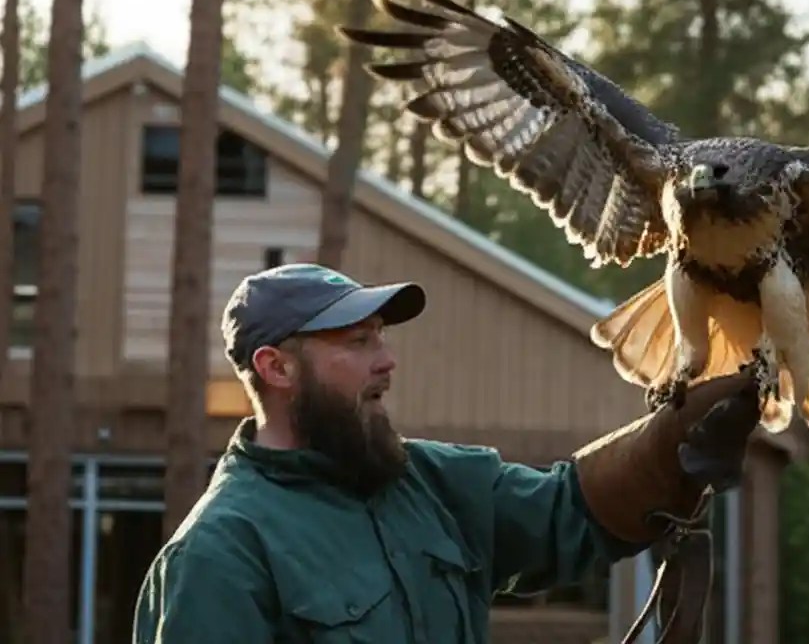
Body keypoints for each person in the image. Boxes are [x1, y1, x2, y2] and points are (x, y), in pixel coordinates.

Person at [131, 263, 762, 643]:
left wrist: (668, 440)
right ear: (276, 368)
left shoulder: (431, 482)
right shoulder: (219, 555)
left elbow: (573, 513)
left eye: (380, 337)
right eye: (356, 343)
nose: (387, 360)